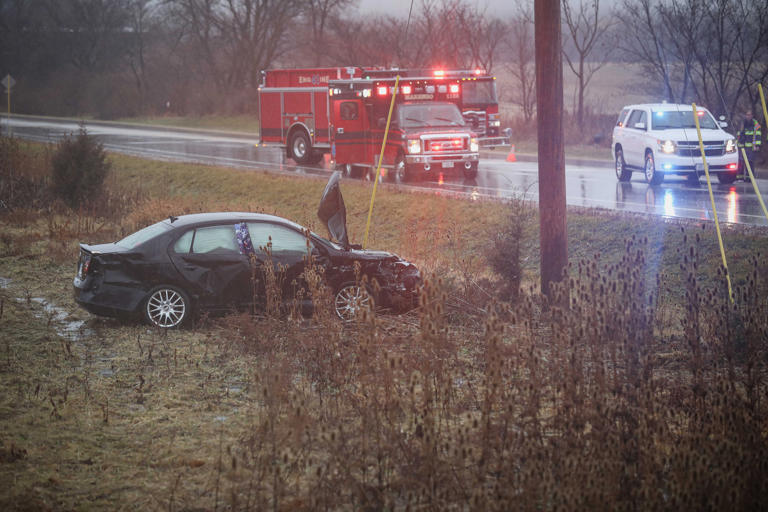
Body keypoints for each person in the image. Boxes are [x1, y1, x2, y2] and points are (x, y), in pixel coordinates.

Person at [736, 109, 762, 180]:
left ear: (752, 116)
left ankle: (749, 178)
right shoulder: (742, 123)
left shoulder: (756, 124)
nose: (748, 116)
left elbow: (758, 135)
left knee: (750, 162)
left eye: (749, 115)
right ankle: (740, 178)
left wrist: (757, 145)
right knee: (741, 162)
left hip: (751, 147)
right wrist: (738, 142)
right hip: (742, 146)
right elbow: (738, 134)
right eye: (747, 115)